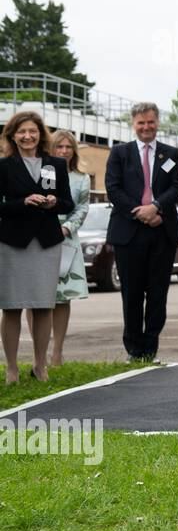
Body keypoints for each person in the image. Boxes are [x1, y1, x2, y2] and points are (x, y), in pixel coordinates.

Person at [104, 102, 178, 360]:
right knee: (132, 292)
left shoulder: (171, 153)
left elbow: (177, 186)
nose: (146, 127)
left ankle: (150, 349)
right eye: (141, 123)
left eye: (150, 122)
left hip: (162, 231)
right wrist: (141, 211)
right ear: (133, 124)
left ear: (157, 122)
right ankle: (134, 349)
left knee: (158, 292)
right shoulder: (120, 153)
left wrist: (157, 207)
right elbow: (113, 188)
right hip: (129, 232)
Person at [0, 111, 73, 384]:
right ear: (12, 135)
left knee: (44, 306)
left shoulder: (56, 164)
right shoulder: (4, 166)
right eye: (22, 132)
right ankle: (11, 368)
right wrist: (22, 202)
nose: (27, 136)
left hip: (46, 242)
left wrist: (55, 202)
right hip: (13, 243)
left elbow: (68, 203)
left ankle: (40, 365)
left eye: (32, 131)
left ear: (40, 134)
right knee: (11, 306)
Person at [24, 130, 91, 367]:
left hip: (66, 239)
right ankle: (38, 354)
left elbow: (82, 208)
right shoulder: (39, 171)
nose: (63, 151)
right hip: (37, 238)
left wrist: (67, 228)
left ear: (74, 150)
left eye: (68, 147)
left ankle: (57, 353)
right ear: (51, 149)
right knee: (36, 298)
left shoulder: (82, 178)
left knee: (62, 299)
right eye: (59, 146)